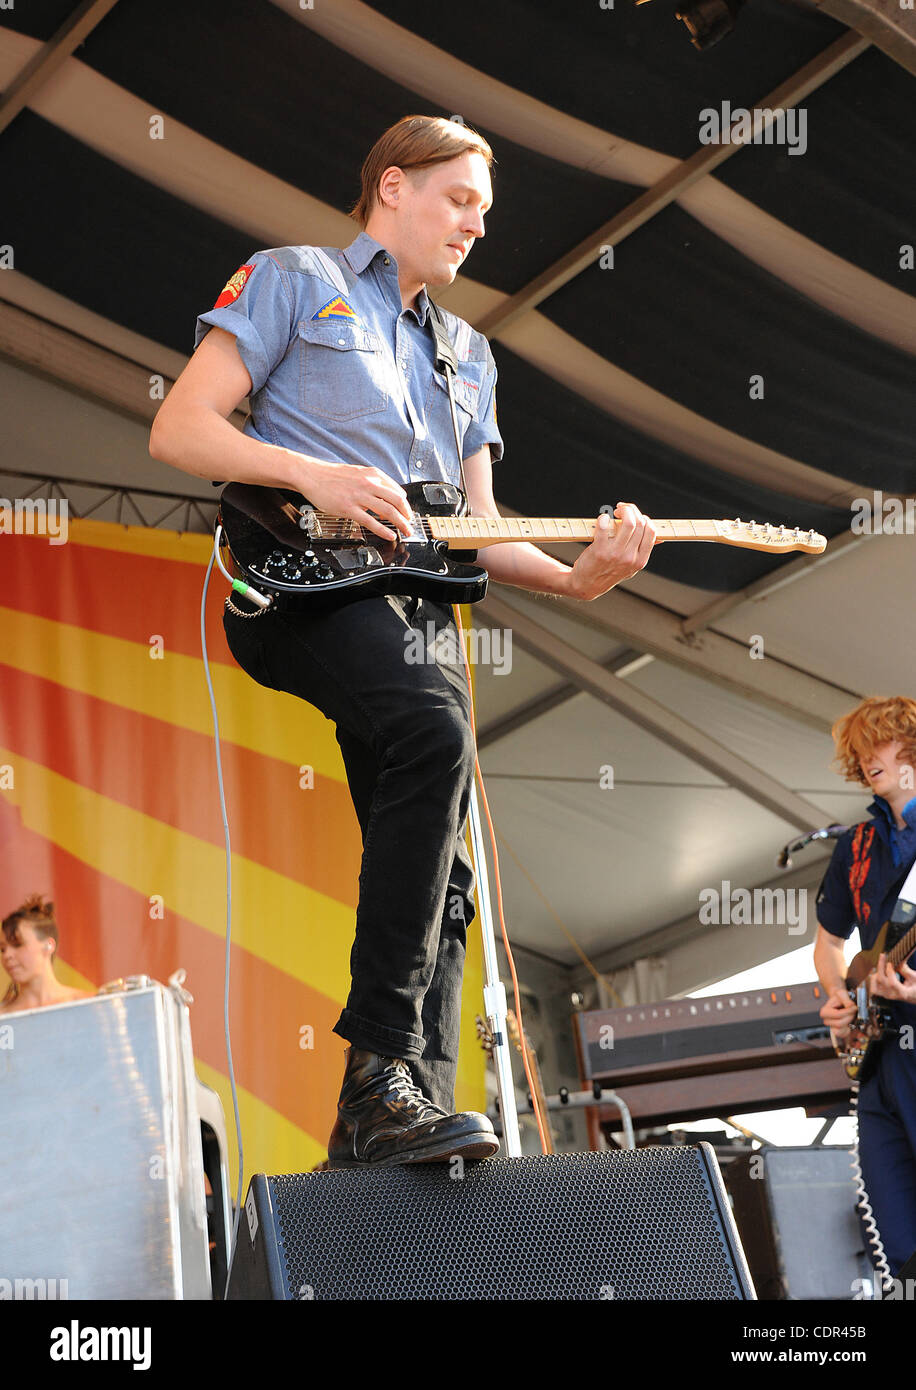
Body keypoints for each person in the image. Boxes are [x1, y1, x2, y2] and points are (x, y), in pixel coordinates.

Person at [149, 114, 658, 1169]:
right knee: (433, 736)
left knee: (450, 869)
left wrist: (578, 575)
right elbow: (181, 428)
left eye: (485, 211)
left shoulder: (467, 353)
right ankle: (382, 1060)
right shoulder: (294, 277)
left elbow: (474, 528)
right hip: (298, 586)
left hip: (414, 606)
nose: (477, 224)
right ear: (392, 185)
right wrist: (313, 475)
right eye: (460, 199)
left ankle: (387, 1118)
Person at [814, 695, 916, 1277]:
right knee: (898, 1239)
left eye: (878, 741)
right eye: (859, 750)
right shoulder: (854, 846)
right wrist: (838, 997)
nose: (866, 758)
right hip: (878, 1062)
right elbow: (828, 943)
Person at [1, 894, 94, 1013]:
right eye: (2, 949)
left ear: (48, 945)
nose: (7, 955)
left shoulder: (88, 1004)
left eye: (17, 944)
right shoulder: (4, 1017)